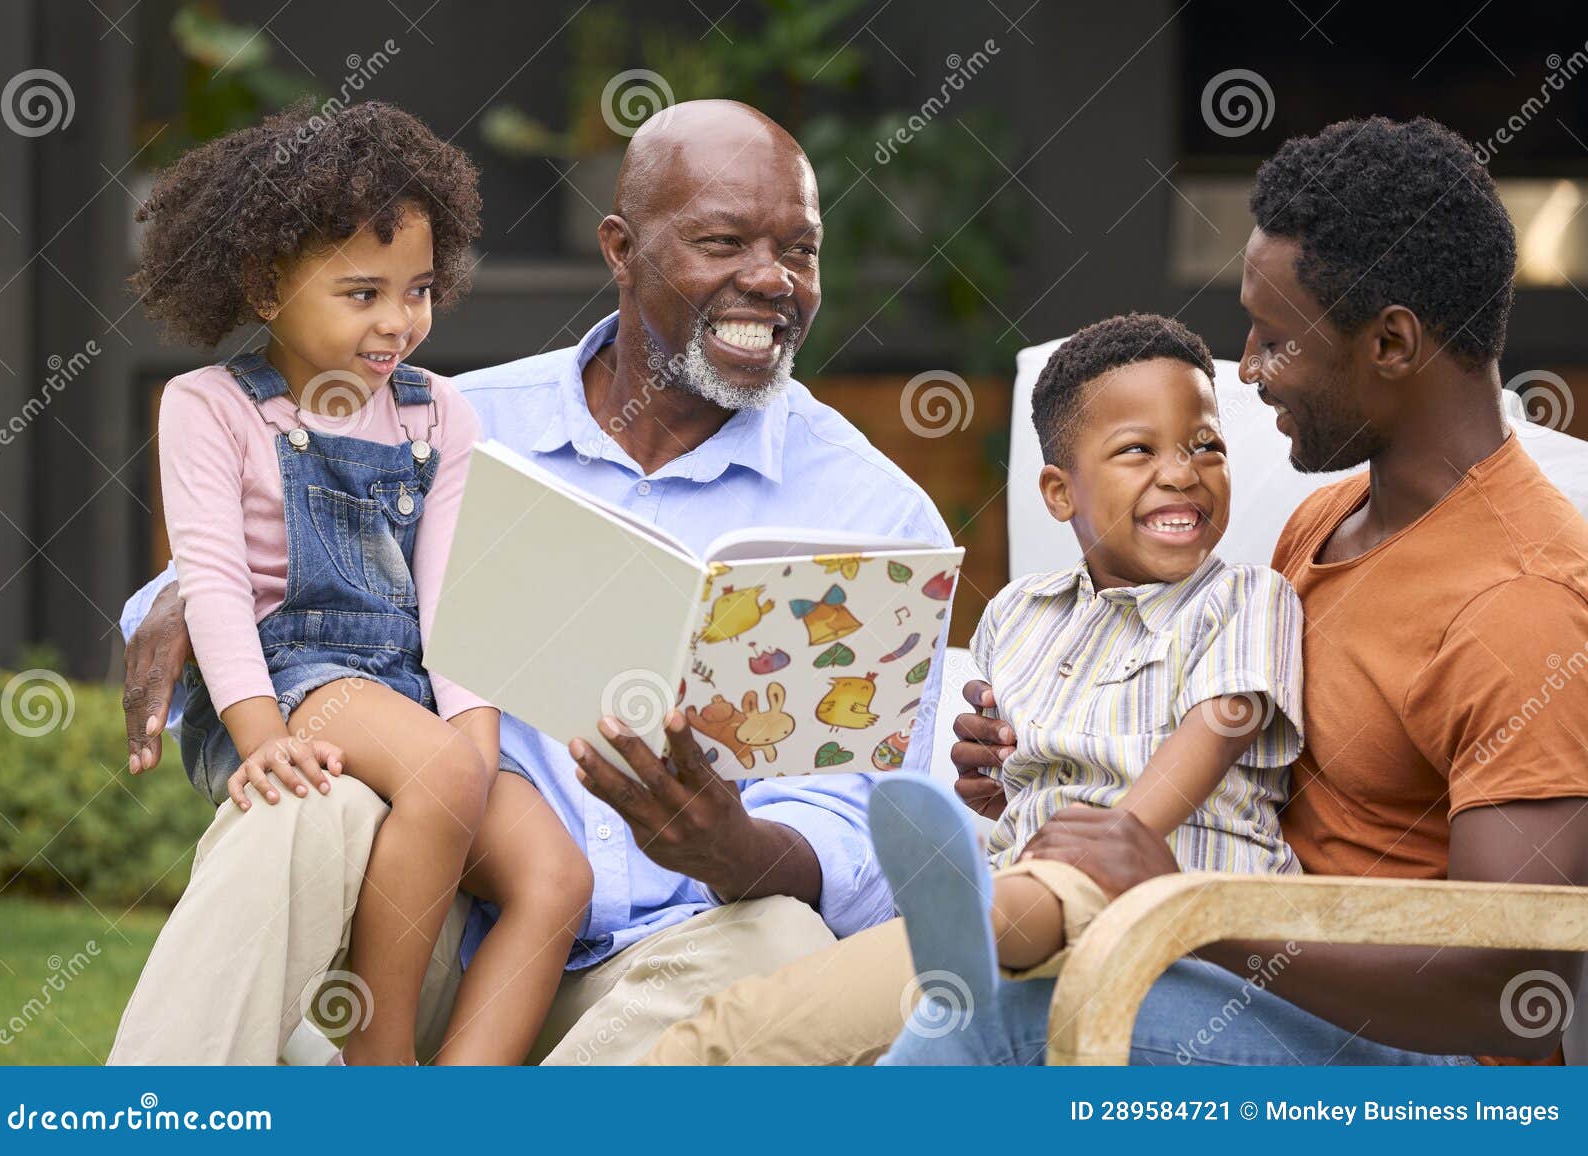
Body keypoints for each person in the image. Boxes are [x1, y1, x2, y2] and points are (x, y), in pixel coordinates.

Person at [640, 116, 1588, 1067]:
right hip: (1221, 963)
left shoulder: (1523, 603)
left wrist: (1184, 905)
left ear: (1390, 343)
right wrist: (1028, 756)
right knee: (845, 1029)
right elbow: (1244, 748)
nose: (1250, 370)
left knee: (976, 1026)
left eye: (1276, 340)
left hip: (1406, 1068)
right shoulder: (1333, 520)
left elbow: (1509, 996)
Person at [110, 99, 952, 1066]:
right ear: (621, 249)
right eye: (724, 243)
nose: (770, 280)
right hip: (430, 932)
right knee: (310, 800)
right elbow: (268, 570)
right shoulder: (466, 423)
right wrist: (181, 588)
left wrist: (740, 849)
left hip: (672, 967)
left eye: (799, 251)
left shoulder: (876, 517)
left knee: (786, 939)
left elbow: (868, 831)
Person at [125, 101, 591, 1066]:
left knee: (555, 875)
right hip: (288, 680)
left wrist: (476, 748)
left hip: (411, 698)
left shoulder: (437, 414)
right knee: (437, 772)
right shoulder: (208, 407)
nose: (399, 322)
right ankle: (379, 1066)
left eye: (418, 290)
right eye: (362, 292)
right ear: (264, 287)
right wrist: (258, 739)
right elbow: (210, 586)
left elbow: (452, 597)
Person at [862, 312, 1306, 1051]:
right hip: (1035, 878)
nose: (1182, 471)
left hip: (1176, 895)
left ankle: (969, 926)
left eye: (1207, 447)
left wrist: (1121, 834)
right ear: (1060, 493)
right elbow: (1037, 779)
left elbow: (1221, 726)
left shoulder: (1248, 597)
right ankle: (972, 926)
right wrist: (1001, 785)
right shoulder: (1015, 615)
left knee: (1034, 902)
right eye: (1140, 450)